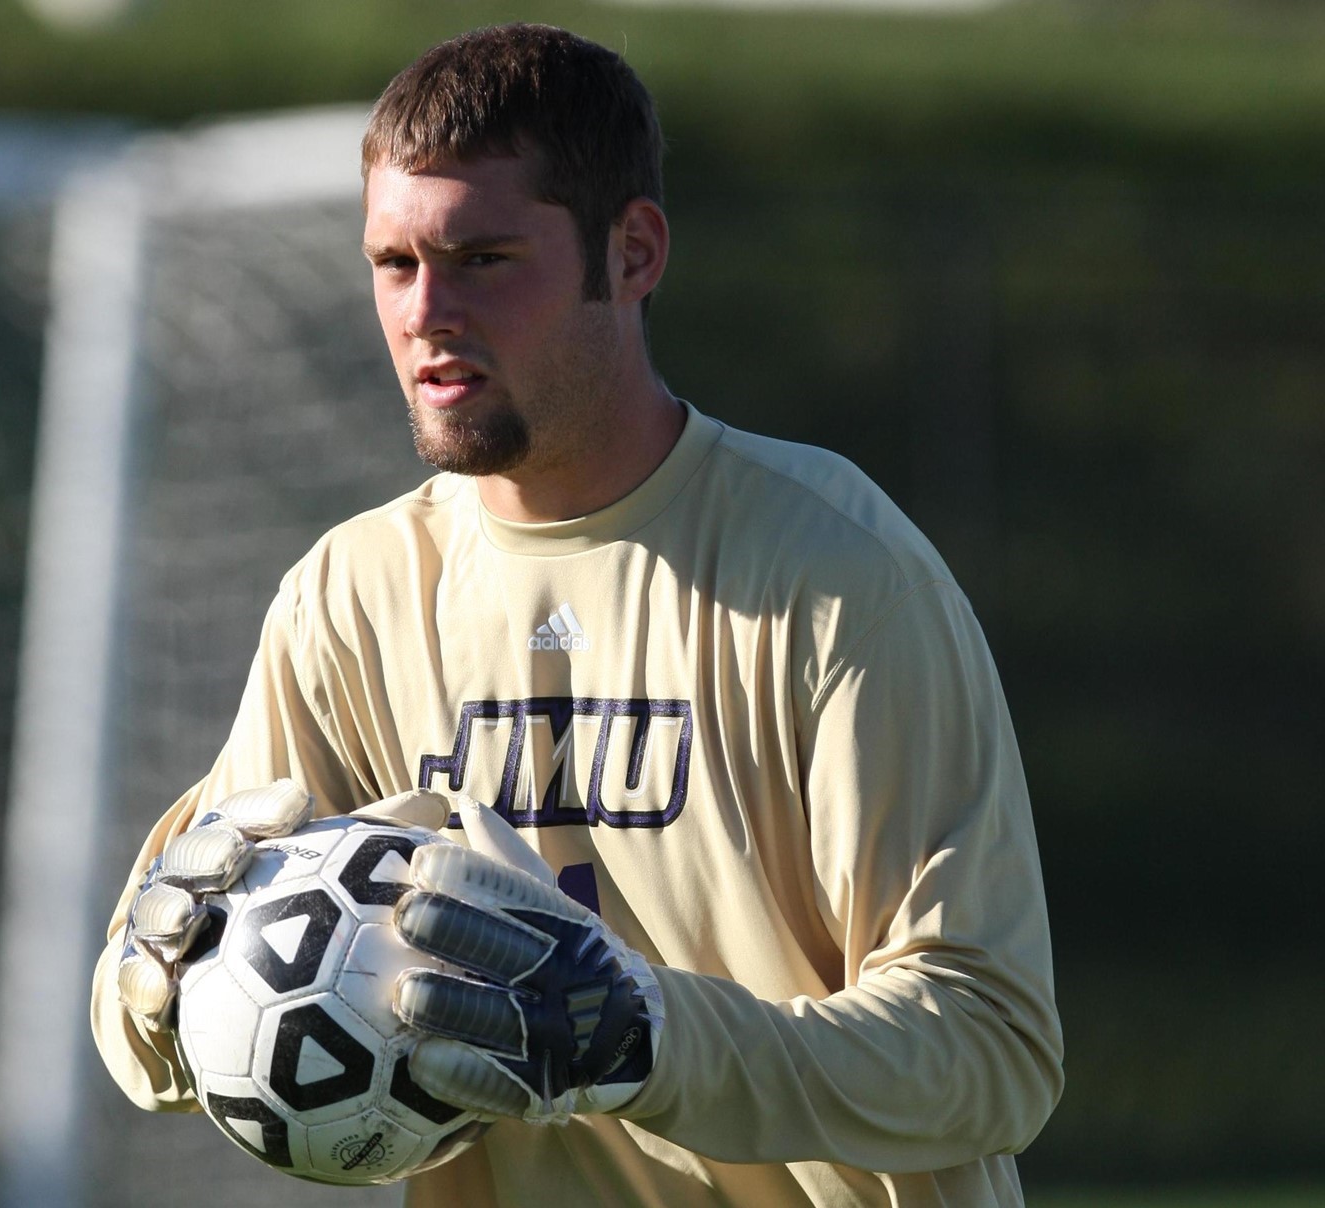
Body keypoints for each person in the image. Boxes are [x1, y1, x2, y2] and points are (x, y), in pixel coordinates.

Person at [92, 22, 1063, 1207]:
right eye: (393, 263)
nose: (427, 311)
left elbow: (991, 1045)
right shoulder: (351, 596)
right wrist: (153, 979)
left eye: (483, 257)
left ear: (634, 250)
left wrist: (642, 1036)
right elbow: (157, 1018)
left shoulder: (836, 572)